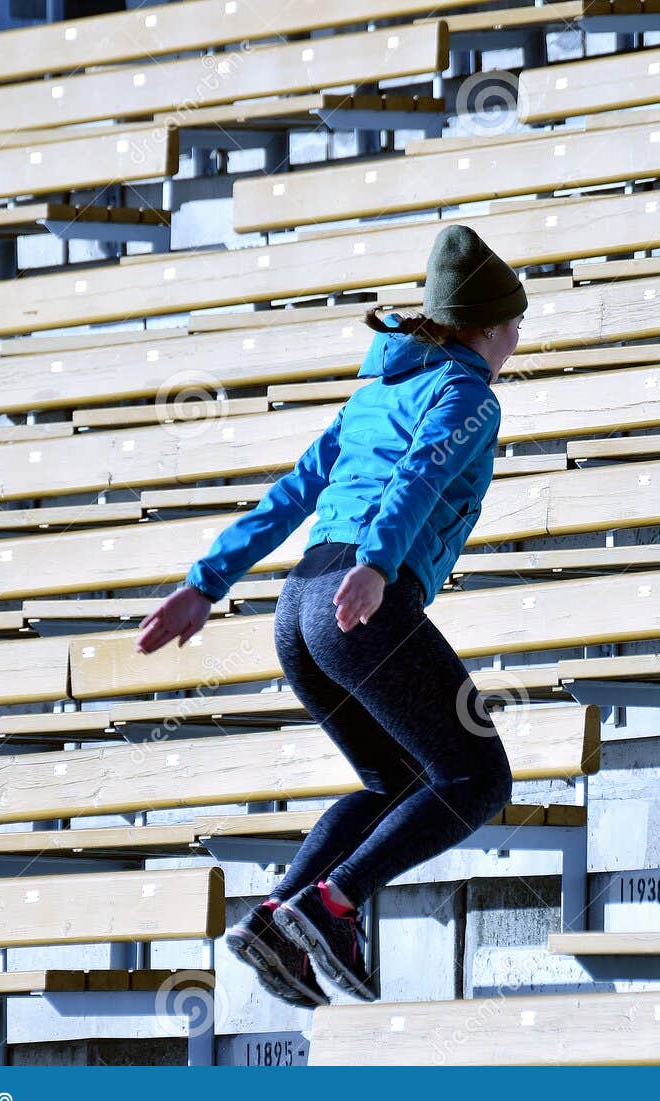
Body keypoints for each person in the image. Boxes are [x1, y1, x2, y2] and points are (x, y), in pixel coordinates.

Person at [135, 225, 526, 1006]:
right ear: (488, 326)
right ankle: (333, 905)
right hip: (358, 600)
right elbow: (421, 474)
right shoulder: (468, 395)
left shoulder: (374, 394)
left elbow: (289, 495)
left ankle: (281, 913)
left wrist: (205, 584)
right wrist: (380, 565)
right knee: (476, 776)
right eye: (516, 321)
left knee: (397, 782)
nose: (520, 337)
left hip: (298, 608)